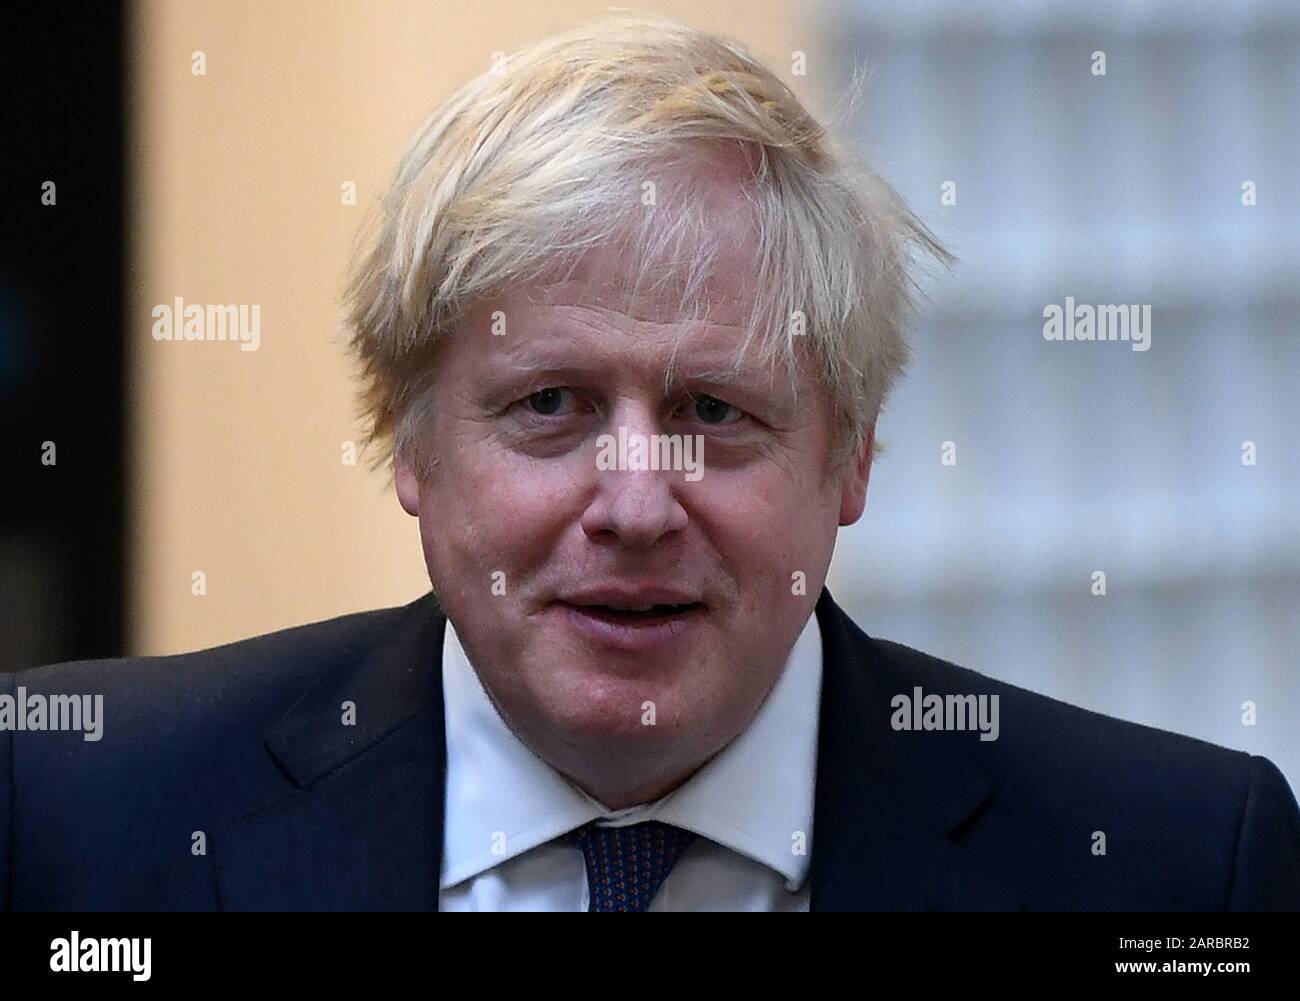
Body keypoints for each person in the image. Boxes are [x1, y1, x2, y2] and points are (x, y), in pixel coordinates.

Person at [3, 12, 1297, 912]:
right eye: (550, 403)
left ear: (851, 453)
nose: (633, 503)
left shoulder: (1170, 862)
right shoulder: (74, 811)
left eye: (718, 410)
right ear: (411, 442)